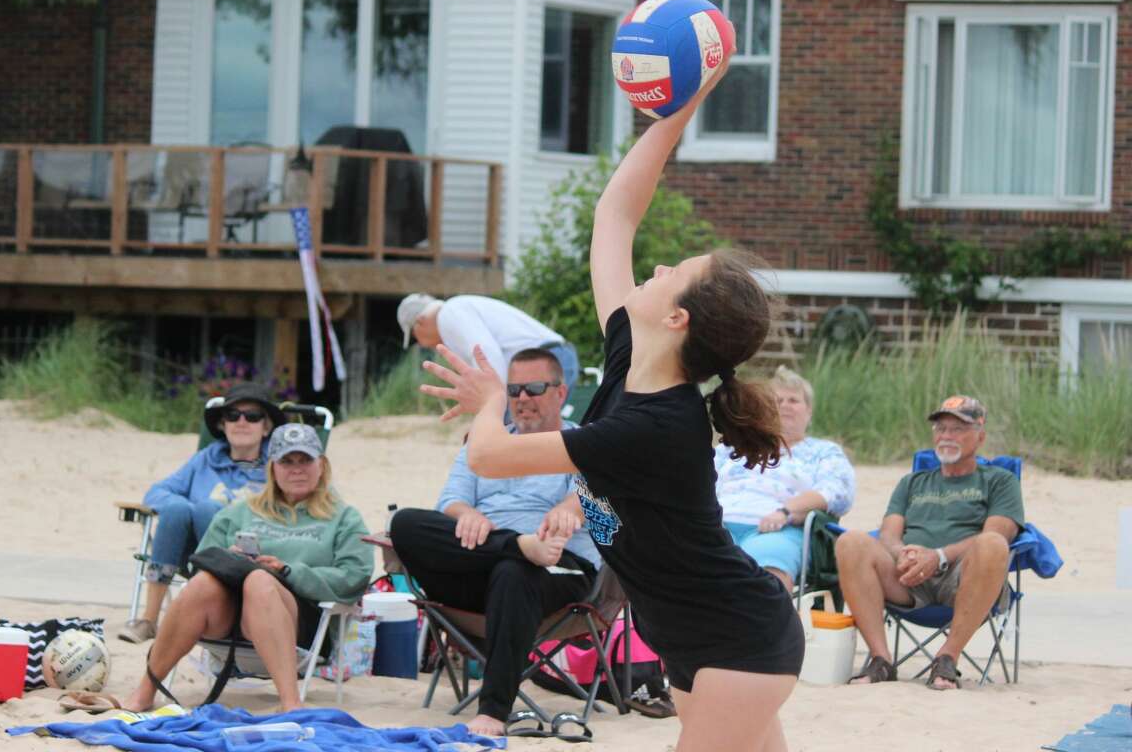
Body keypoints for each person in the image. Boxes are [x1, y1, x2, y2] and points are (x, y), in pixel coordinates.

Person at [420, 49, 805, 752]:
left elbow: (491, 452)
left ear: (679, 317)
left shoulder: (658, 424)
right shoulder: (632, 353)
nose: (658, 267)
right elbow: (616, 214)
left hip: (737, 637)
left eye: (676, 271)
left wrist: (488, 397)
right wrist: (684, 104)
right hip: (693, 636)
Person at [389, 348, 601, 737]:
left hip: (555, 567)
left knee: (514, 571)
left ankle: (492, 711)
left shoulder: (585, 443)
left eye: (534, 388)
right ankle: (516, 545)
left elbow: (601, 496)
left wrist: (572, 507)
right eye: (514, 390)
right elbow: (449, 502)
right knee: (404, 523)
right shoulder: (486, 443)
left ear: (560, 392)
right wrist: (465, 514)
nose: (522, 398)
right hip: (479, 566)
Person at [124, 423, 373, 712]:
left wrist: (288, 571)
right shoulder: (241, 512)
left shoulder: (343, 517)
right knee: (204, 584)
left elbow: (354, 577)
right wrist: (226, 560)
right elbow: (201, 562)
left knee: (260, 582)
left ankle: (290, 703)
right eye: (286, 461)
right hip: (231, 618)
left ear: (322, 465)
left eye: (305, 460)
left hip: (299, 622)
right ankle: (144, 692)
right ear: (272, 468)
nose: (296, 469)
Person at [835, 395, 1024, 690]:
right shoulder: (912, 482)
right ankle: (881, 660)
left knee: (993, 544)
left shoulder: (999, 481)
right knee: (851, 542)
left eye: (958, 429)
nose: (947, 436)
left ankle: (947, 658)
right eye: (941, 429)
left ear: (981, 436)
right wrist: (901, 554)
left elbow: (1000, 533)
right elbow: (888, 534)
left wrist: (938, 556)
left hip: (965, 578)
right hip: (908, 576)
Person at [119, 382, 286, 644]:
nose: (241, 422)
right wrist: (185, 508)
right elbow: (156, 493)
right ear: (222, 424)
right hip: (192, 555)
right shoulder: (206, 459)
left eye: (252, 416)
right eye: (233, 415)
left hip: (245, 556)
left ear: (266, 427)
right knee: (176, 508)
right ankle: (149, 620)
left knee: (208, 507)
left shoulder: (276, 466)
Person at [715, 365, 855, 593]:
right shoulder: (733, 447)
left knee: (770, 559)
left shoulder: (823, 452)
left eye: (793, 400)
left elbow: (838, 492)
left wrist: (786, 512)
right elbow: (702, 482)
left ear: (809, 411)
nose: (785, 406)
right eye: (777, 401)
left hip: (777, 529)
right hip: (717, 527)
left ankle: (765, 627)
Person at [397, 292, 580, 392]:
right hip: (553, 359)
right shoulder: (457, 310)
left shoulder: (449, 314)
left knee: (511, 435)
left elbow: (486, 356)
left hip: (546, 362)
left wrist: (492, 408)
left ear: (420, 321)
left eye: (415, 338)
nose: (420, 344)